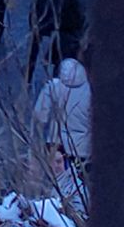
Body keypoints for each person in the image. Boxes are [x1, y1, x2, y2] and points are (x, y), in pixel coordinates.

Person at [33, 55, 93, 187]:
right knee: (79, 186)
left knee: (57, 184)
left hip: (56, 145)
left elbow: (40, 115)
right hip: (82, 149)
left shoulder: (52, 86)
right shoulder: (90, 90)